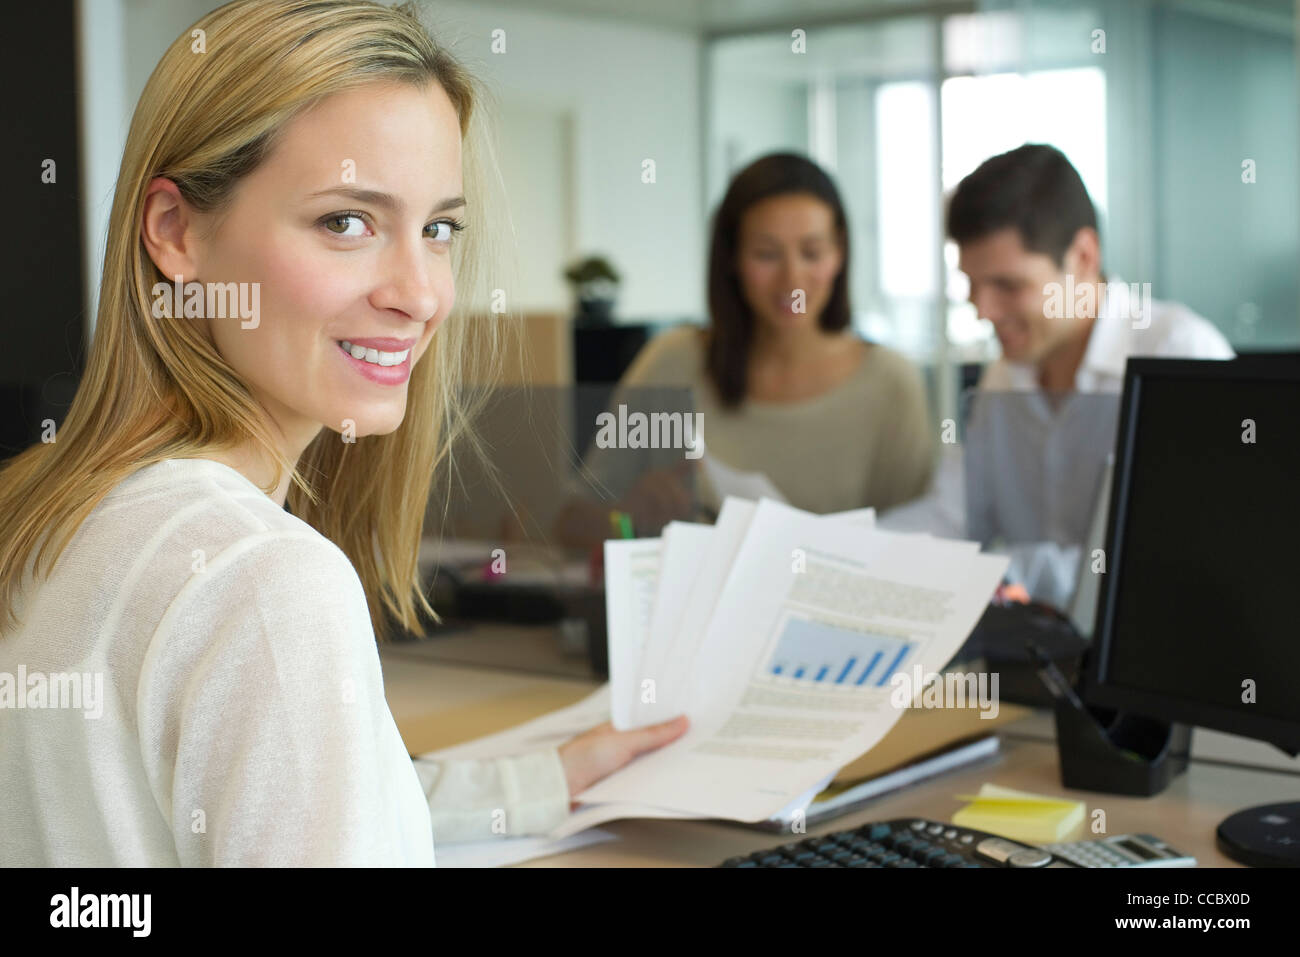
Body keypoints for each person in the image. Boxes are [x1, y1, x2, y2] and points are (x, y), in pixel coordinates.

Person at [0, 0, 685, 867]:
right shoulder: (265, 580)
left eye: (437, 228)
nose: (421, 293)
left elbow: (281, 796)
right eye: (346, 222)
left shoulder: (50, 511)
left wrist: (542, 781)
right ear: (175, 233)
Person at [882, 143, 1234, 606]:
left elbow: (1181, 563)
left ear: (1083, 256)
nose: (983, 311)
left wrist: (1000, 575)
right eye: (971, 285)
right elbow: (953, 521)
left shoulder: (1181, 355)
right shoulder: (1004, 377)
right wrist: (847, 551)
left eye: (1008, 285)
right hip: (1030, 661)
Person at [556, 153, 935, 548]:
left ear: (839, 254)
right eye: (766, 254)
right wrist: (627, 519)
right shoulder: (672, 361)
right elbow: (570, 521)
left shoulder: (892, 382)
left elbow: (915, 544)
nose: (792, 279)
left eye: (812, 253)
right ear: (733, 259)